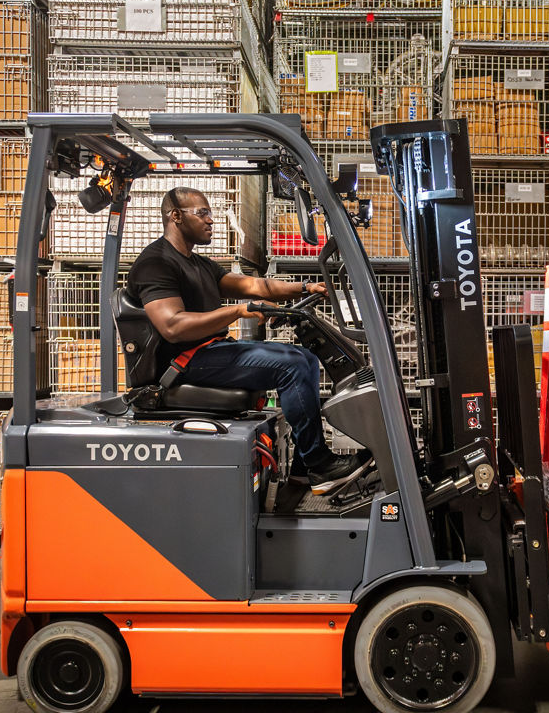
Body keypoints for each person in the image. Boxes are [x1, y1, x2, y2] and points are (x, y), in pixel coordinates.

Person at [127, 186, 370, 495]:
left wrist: (305, 288)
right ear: (175, 216)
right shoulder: (156, 263)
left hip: (210, 351)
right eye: (202, 213)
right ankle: (319, 465)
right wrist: (237, 311)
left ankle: (304, 470)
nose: (211, 220)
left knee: (303, 358)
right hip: (184, 363)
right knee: (294, 365)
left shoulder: (199, 264)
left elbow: (255, 285)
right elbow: (173, 327)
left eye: (210, 214)